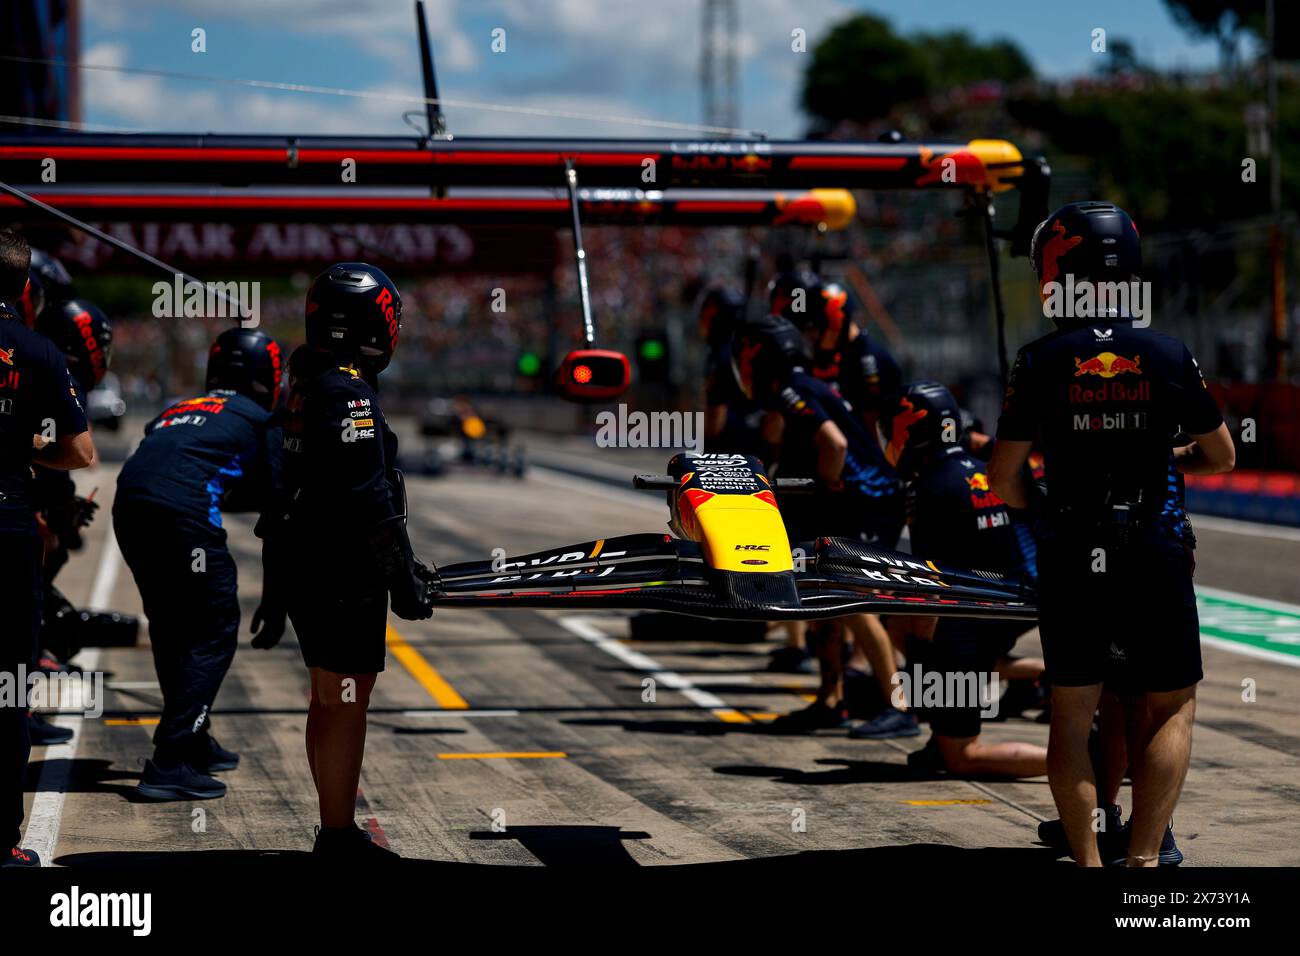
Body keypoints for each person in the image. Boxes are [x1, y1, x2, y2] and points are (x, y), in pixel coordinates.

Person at [988, 200, 1236, 866]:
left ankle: (1088, 862)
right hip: (1155, 547)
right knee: (1168, 708)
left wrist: (1042, 505)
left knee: (1072, 715)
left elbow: (1005, 476)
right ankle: (1147, 861)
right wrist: (1169, 457)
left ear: (1055, 272)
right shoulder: (1166, 352)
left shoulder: (1039, 360)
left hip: (1071, 548)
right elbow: (1222, 457)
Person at [255, 262, 437, 860]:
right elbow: (367, 497)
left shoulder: (306, 382)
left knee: (327, 699)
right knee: (345, 702)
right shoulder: (346, 388)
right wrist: (402, 576)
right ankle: (337, 837)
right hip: (341, 567)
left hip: (311, 561)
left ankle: (333, 827)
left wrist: (276, 586)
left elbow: (286, 487)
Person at [114, 327, 283, 800]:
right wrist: (275, 602)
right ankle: (169, 761)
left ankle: (193, 739)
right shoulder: (261, 420)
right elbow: (279, 513)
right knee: (213, 628)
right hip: (182, 515)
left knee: (170, 626)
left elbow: (173, 463)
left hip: (128, 507)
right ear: (266, 375)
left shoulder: (175, 410)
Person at [731, 317, 909, 736]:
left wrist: (829, 483)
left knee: (855, 602)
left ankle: (899, 707)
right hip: (853, 504)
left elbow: (835, 444)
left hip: (863, 503)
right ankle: (831, 700)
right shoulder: (796, 388)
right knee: (820, 600)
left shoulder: (794, 389)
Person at [880, 381, 1046, 777]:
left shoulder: (927, 487)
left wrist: (920, 662)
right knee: (908, 631)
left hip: (969, 617)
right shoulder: (985, 471)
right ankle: (942, 737)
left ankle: (1093, 757)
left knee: (964, 757)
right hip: (1009, 602)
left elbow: (928, 581)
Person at [0, 229, 94, 867]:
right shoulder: (36, 351)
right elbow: (82, 453)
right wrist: (28, 451)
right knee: (8, 687)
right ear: (25, 289)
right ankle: (5, 843)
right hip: (6, 530)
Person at [28, 298, 114, 747]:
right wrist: (61, 511)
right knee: (39, 614)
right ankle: (19, 713)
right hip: (17, 513)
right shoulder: (54, 367)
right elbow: (65, 456)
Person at [771, 269, 903, 432]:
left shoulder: (868, 359)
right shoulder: (843, 357)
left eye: (815, 329)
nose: (811, 338)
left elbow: (875, 429)